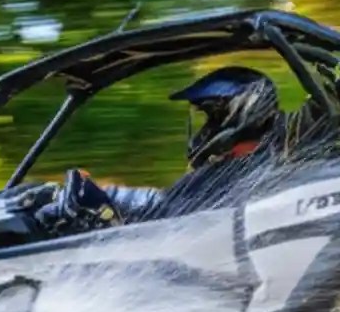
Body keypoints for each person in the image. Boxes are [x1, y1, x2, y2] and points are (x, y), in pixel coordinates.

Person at [35, 66, 284, 233]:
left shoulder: (245, 173)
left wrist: (100, 196)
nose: (205, 130)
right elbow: (167, 205)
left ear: (242, 112)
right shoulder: (238, 168)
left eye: (211, 117)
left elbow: (163, 208)